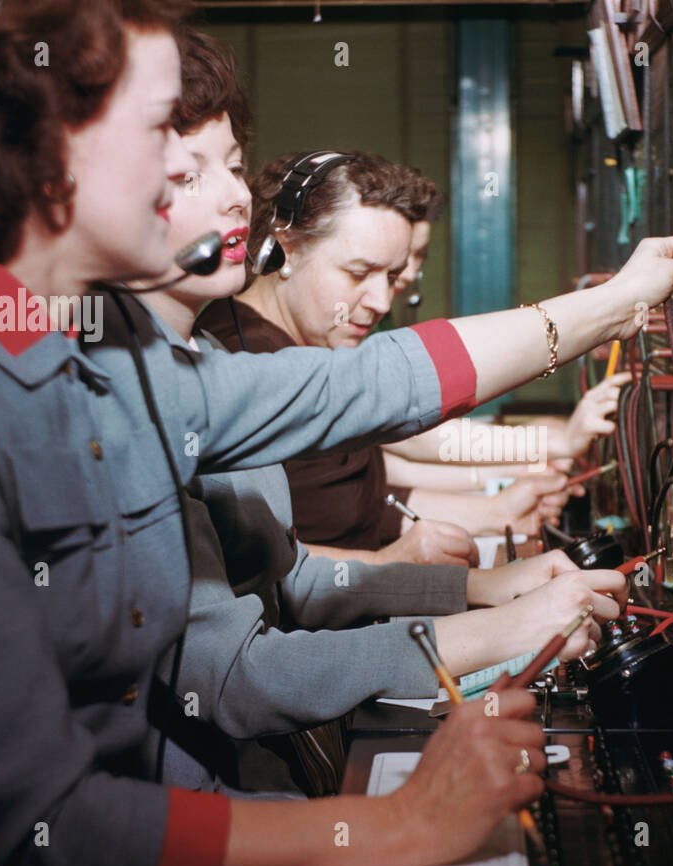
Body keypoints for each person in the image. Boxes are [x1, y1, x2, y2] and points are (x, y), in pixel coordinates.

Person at [0, 0, 673, 866]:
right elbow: (47, 828)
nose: (203, 181)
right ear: (39, 141)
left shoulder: (107, 346)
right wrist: (390, 827)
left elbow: (365, 387)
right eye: (162, 134)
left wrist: (621, 300)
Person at [135, 28, 625, 797]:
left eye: (232, 167)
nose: (235, 196)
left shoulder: (200, 359)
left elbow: (295, 579)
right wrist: (611, 306)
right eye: (189, 172)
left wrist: (479, 591)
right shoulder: (180, 378)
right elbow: (237, 675)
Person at [201, 153, 629, 564]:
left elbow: (364, 482)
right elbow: (273, 569)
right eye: (357, 273)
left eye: (392, 276)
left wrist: (499, 503)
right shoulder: (249, 357)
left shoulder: (308, 339)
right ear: (286, 249)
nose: (382, 301)